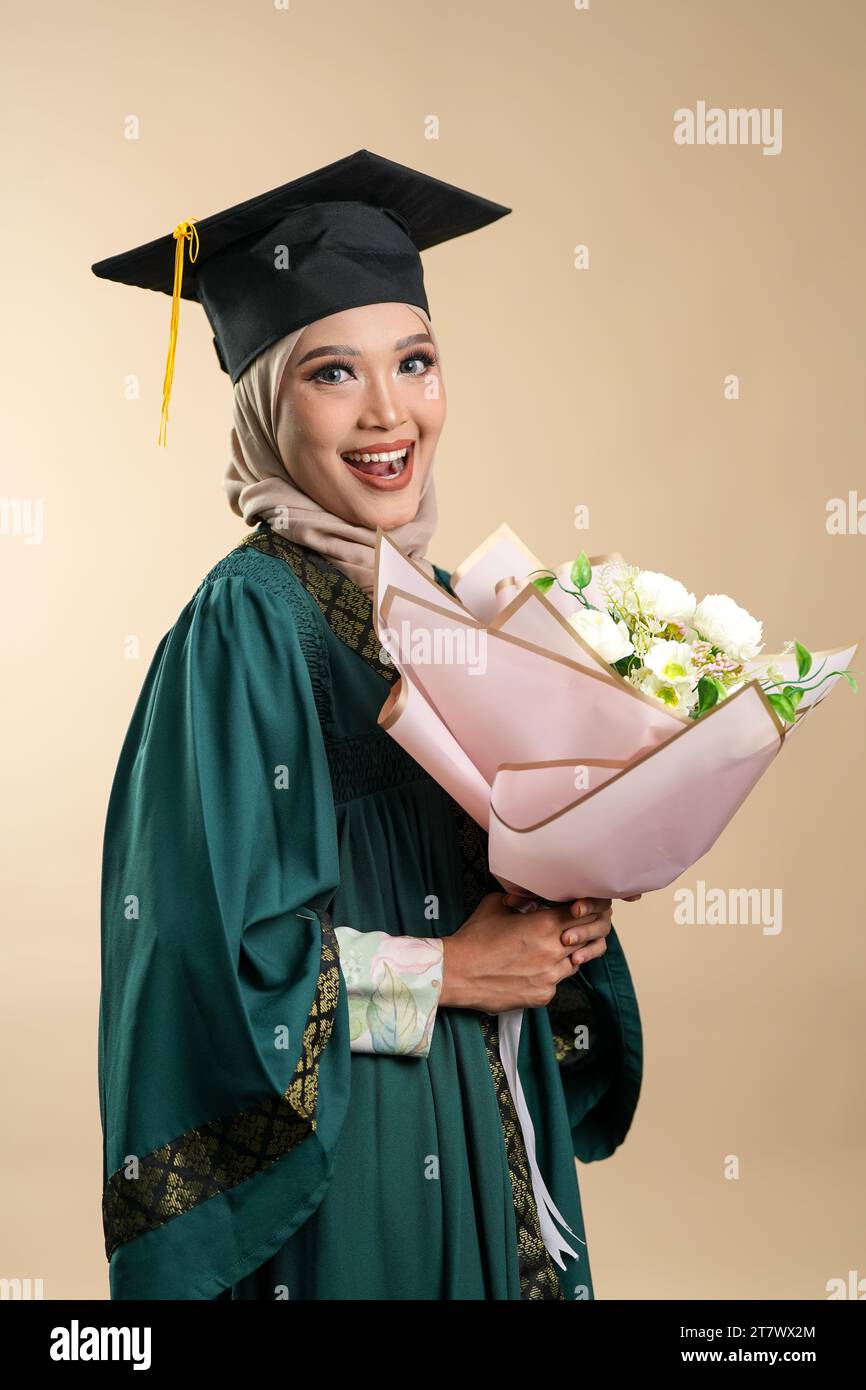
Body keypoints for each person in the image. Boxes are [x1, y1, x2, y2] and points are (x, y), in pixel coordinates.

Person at [93, 149, 643, 1301]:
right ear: (262, 402)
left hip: (482, 1101)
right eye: (332, 372)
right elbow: (207, 959)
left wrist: (561, 894)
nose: (389, 413)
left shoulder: (439, 600)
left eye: (416, 361)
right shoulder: (247, 620)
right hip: (356, 1151)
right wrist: (453, 969)